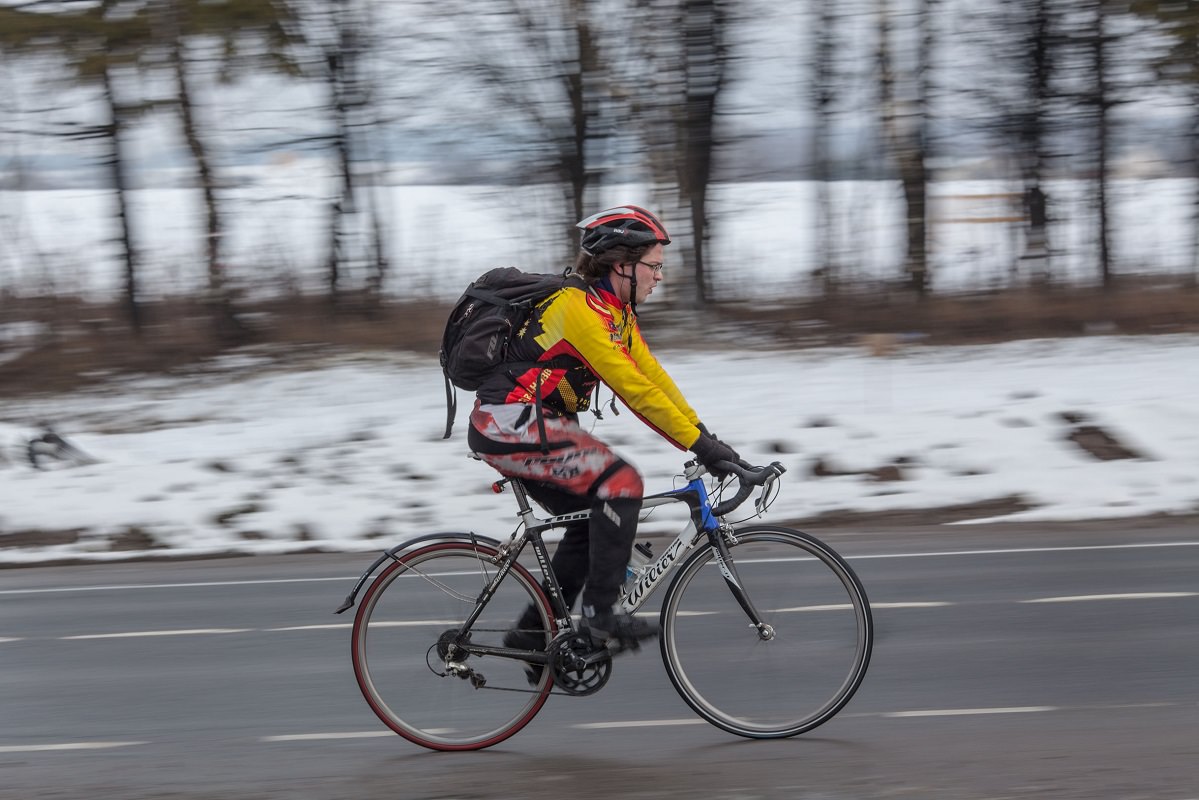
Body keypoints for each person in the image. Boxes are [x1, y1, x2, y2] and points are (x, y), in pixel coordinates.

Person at [467, 204, 742, 671]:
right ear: (622, 264)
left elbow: (655, 382)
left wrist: (709, 440)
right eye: (654, 266)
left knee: (591, 520)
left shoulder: (618, 315)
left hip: (534, 425)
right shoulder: (579, 311)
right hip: (506, 422)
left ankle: (533, 634)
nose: (659, 276)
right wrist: (702, 448)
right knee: (621, 483)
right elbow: (634, 393)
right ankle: (598, 615)